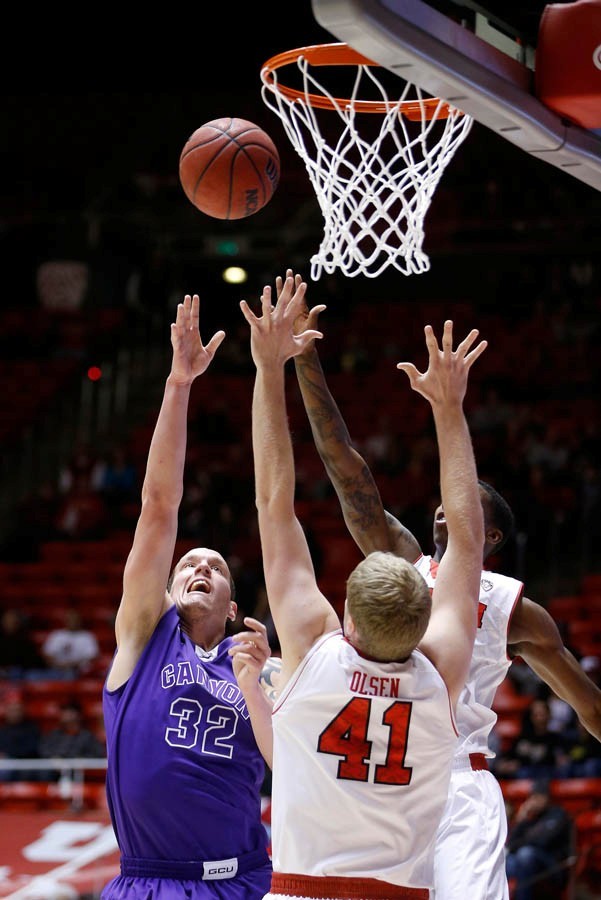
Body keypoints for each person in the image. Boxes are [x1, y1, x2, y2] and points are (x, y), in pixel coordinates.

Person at [290, 273, 601, 900]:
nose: (441, 512)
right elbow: (347, 469)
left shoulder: (517, 612)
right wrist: (303, 358)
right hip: (384, 775)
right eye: (442, 505)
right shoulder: (405, 566)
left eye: (462, 508)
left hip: (459, 781)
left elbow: (590, 707)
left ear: (489, 537)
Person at [240, 272, 486, 898]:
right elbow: (468, 539)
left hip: (301, 889)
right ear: (424, 620)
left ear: (345, 617)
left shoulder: (314, 652)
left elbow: (275, 502)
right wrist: (450, 412)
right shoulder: (441, 674)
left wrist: (270, 369)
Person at [100, 294, 274, 900]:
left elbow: (293, 771)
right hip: (150, 882)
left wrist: (261, 685)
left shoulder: (256, 664)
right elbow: (158, 509)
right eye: (188, 564)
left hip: (244, 880)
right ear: (169, 590)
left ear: (232, 605)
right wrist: (179, 384)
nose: (199, 565)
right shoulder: (146, 634)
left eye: (216, 566)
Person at [505, 779, 574, 900]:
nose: (534, 801)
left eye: (538, 797)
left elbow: (544, 841)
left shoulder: (558, 814)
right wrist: (521, 820)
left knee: (526, 854)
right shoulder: (529, 819)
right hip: (527, 865)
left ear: (546, 797)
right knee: (505, 861)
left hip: (554, 866)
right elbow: (511, 845)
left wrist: (525, 841)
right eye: (533, 797)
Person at [38, 699, 106, 780]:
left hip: (78, 774)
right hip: (54, 773)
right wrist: (53, 758)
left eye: (69, 712)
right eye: (64, 712)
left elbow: (98, 753)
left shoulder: (87, 736)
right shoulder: (54, 734)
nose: (65, 715)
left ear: (78, 715)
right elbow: (43, 749)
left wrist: (82, 760)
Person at [42, 608, 100, 677]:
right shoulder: (57, 635)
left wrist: (72, 665)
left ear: (80, 621)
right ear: (65, 620)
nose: (73, 622)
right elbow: (47, 654)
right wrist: (58, 665)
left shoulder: (87, 636)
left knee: (69, 674)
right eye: (70, 619)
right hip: (56, 669)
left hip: (79, 671)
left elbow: (92, 657)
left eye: (75, 619)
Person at [0, 698, 41, 782]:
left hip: (25, 763)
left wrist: (8, 754)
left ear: (22, 712)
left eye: (17, 710)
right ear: (6, 712)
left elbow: (32, 749)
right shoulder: (2, 730)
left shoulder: (32, 729)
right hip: (5, 763)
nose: (14, 713)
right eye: (11, 710)